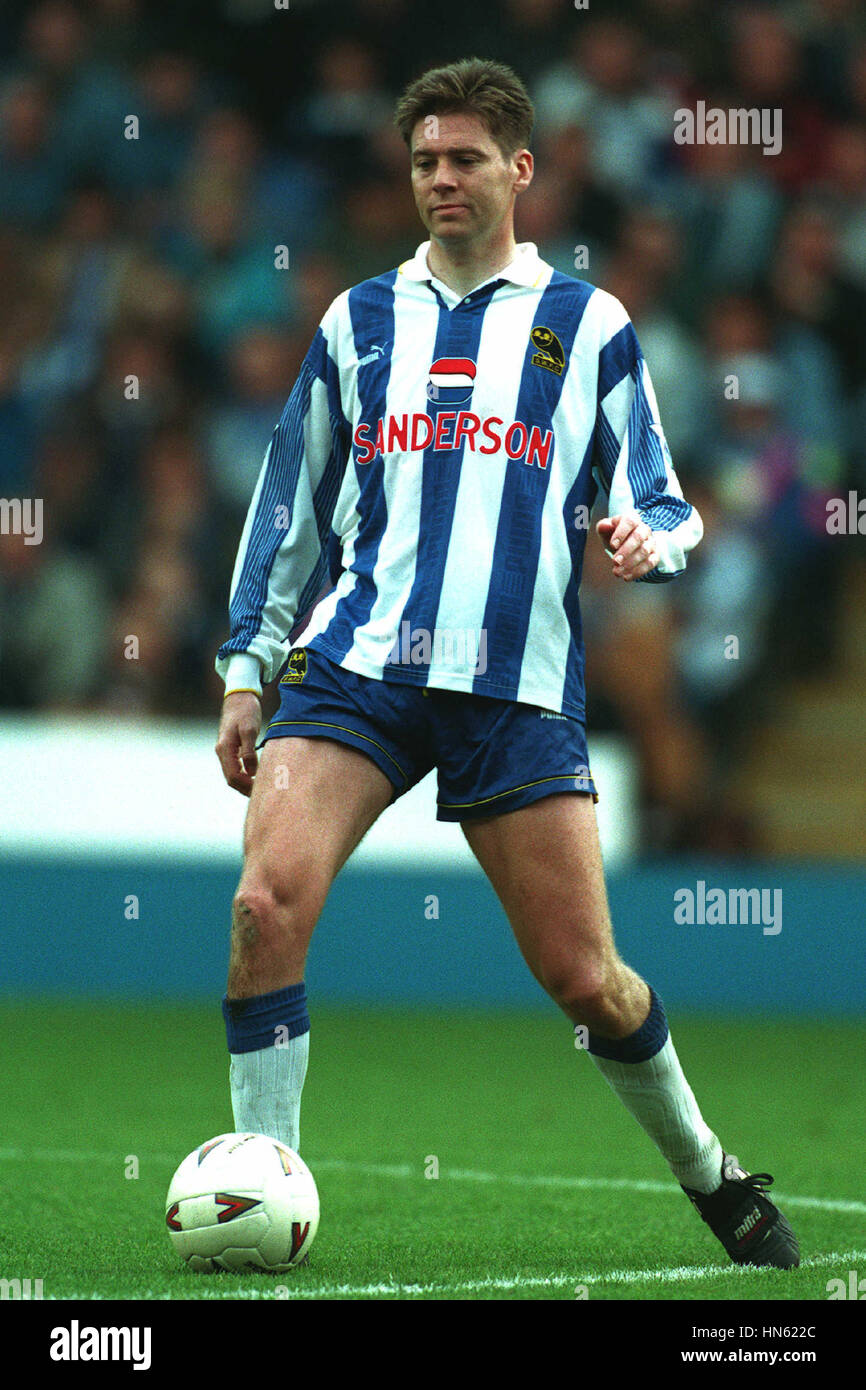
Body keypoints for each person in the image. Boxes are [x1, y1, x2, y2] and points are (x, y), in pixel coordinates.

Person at [214, 58, 798, 1270]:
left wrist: (651, 539)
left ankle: (709, 1170)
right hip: (358, 661)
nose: (439, 177)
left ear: (518, 170)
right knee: (264, 906)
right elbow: (289, 506)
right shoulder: (355, 322)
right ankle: (257, 1197)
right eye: (424, 158)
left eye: (464, 158)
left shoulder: (587, 327)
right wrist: (244, 665)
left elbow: (668, 503)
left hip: (513, 683)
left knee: (586, 980)